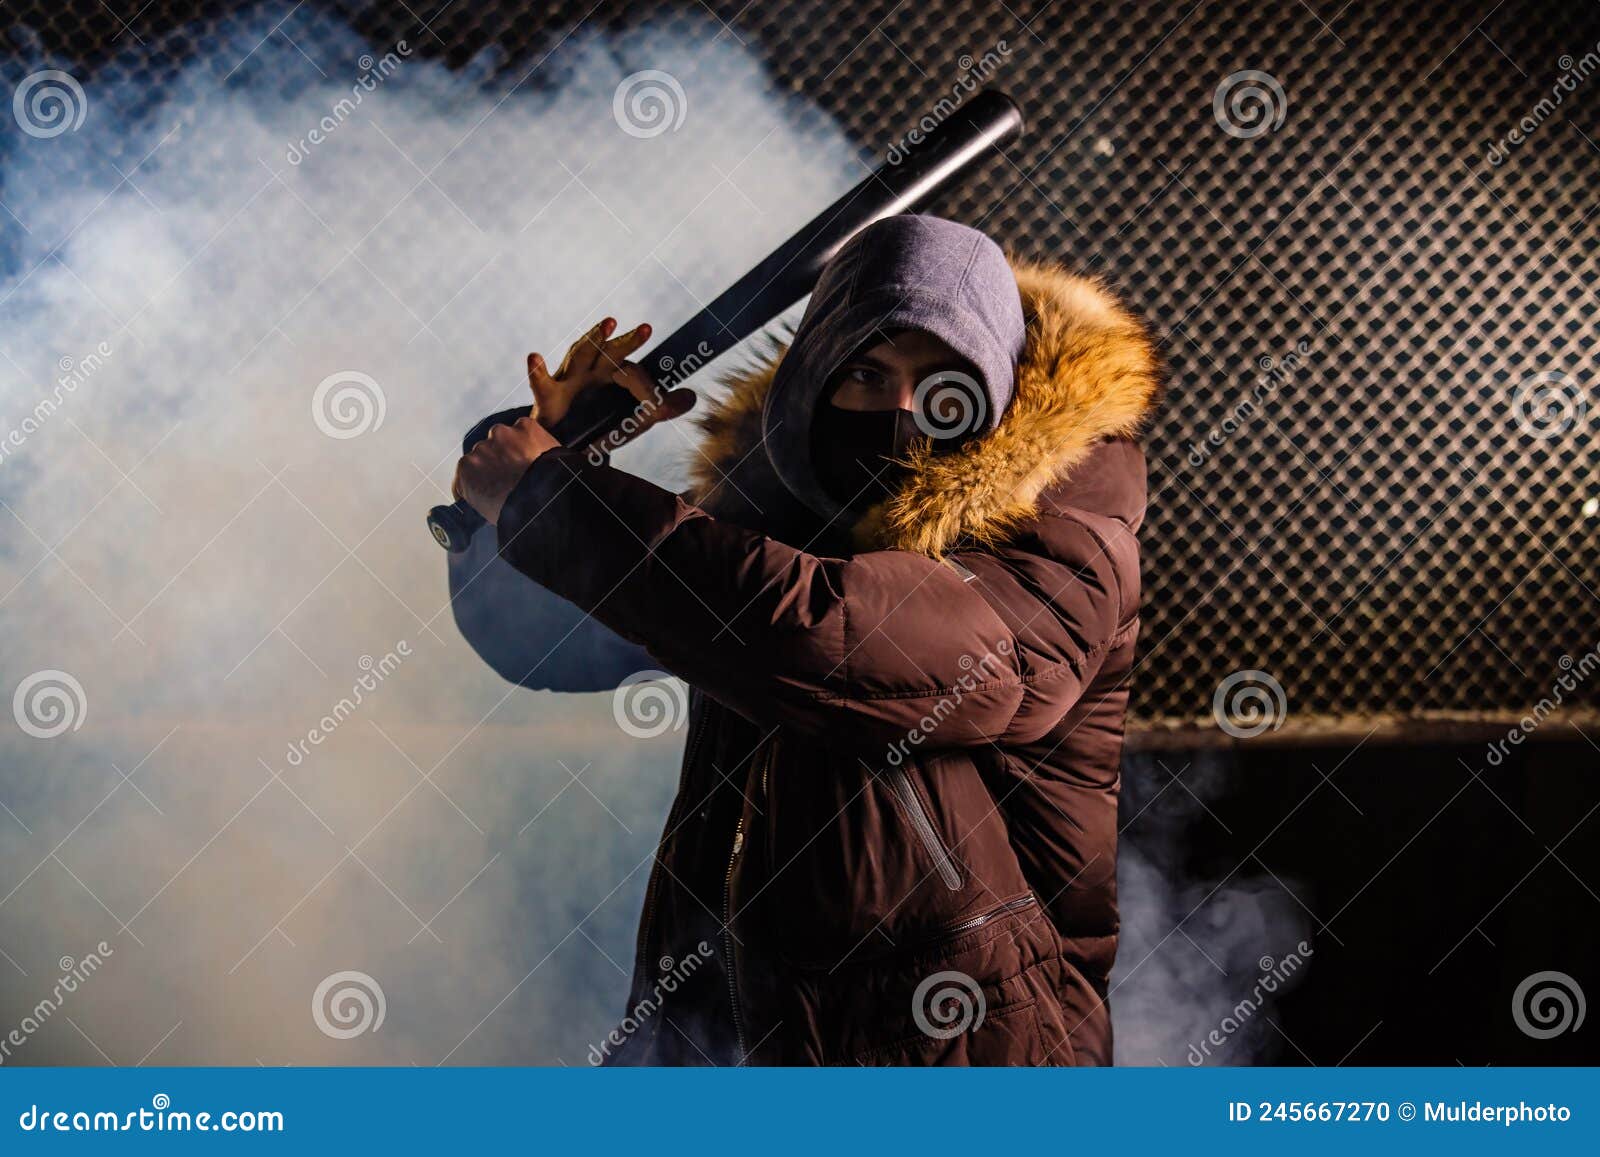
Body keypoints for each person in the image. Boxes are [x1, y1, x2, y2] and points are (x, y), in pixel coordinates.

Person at [452, 214, 1162, 1065]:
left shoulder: (1062, 539)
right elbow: (543, 641)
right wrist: (537, 470)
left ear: (999, 392)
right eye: (864, 372)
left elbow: (831, 632)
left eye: (943, 381)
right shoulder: (767, 532)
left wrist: (553, 500)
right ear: (814, 382)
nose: (900, 410)